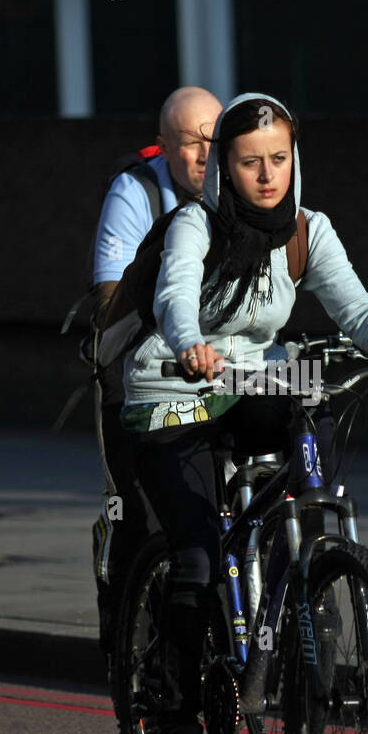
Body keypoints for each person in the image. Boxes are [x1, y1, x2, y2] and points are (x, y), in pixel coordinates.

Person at [120, 92, 368, 734]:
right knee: (199, 556)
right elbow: (177, 296)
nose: (267, 175)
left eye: (278, 159)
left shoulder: (307, 230)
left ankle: (302, 574)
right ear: (224, 172)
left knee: (313, 407)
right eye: (249, 163)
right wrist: (191, 346)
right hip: (175, 394)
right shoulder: (193, 226)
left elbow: (357, 310)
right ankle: (178, 727)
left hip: (252, 383)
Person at [90, 87, 222, 668]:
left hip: (215, 372)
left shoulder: (239, 188)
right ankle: (129, 657)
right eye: (192, 142)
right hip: (135, 375)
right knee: (140, 517)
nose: (205, 153)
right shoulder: (136, 192)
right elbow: (108, 302)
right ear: (164, 147)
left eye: (215, 140)